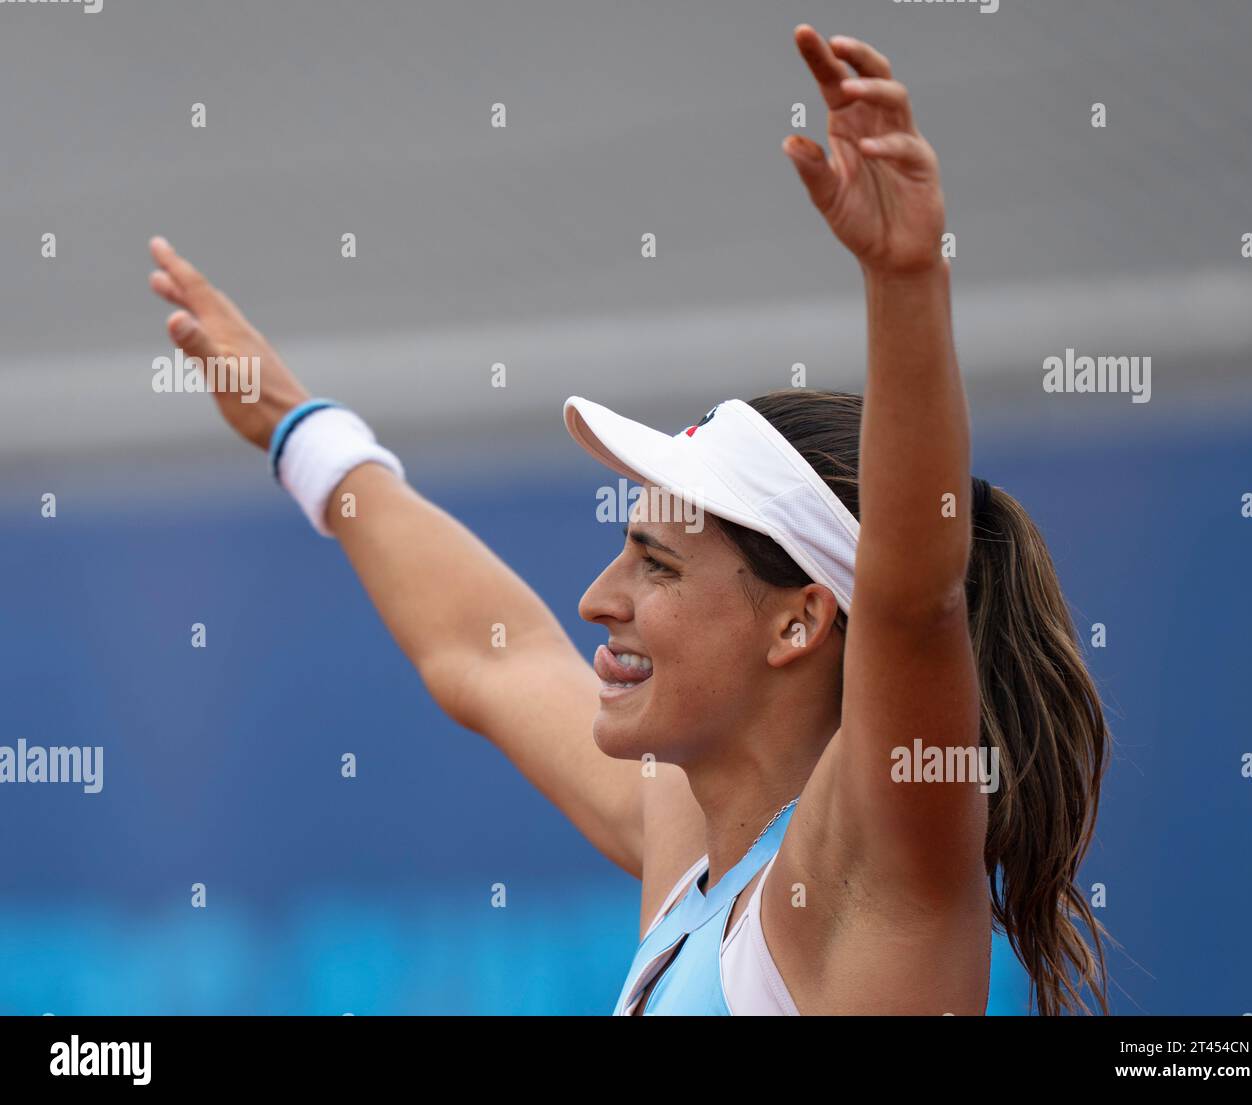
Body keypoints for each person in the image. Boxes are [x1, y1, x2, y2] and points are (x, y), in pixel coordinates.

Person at [146, 24, 1110, 1015]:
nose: (597, 598)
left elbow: (912, 599)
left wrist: (904, 278)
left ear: (802, 618)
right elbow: (493, 656)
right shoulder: (692, 849)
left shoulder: (857, 872)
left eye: (656, 564)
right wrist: (303, 434)